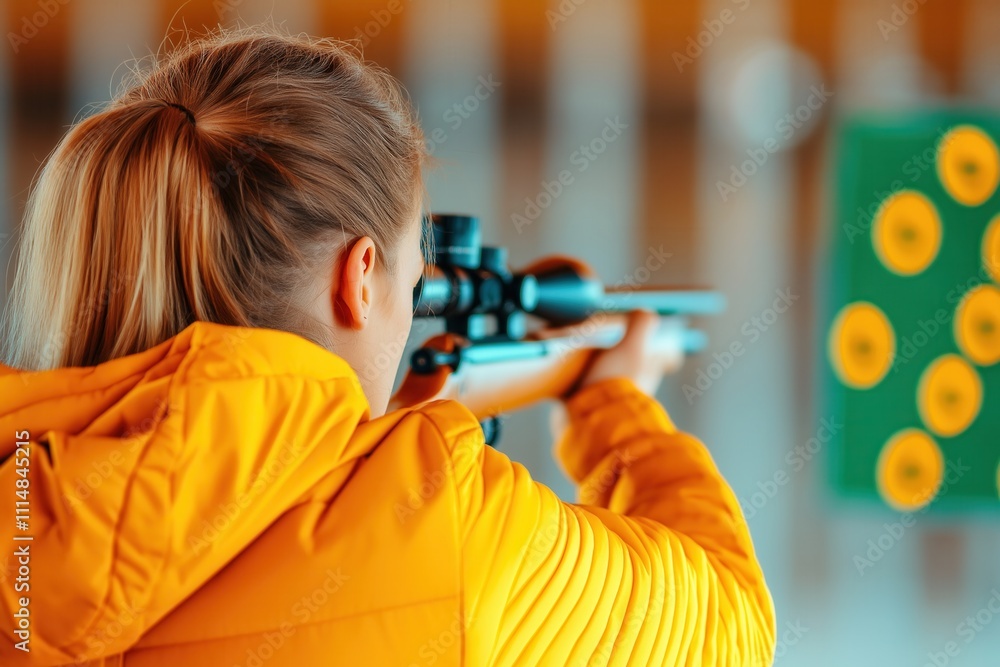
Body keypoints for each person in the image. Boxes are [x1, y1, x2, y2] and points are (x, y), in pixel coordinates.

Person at [0, 27, 775, 666]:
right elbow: (733, 626)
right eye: (413, 280)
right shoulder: (451, 523)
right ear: (360, 277)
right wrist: (621, 411)